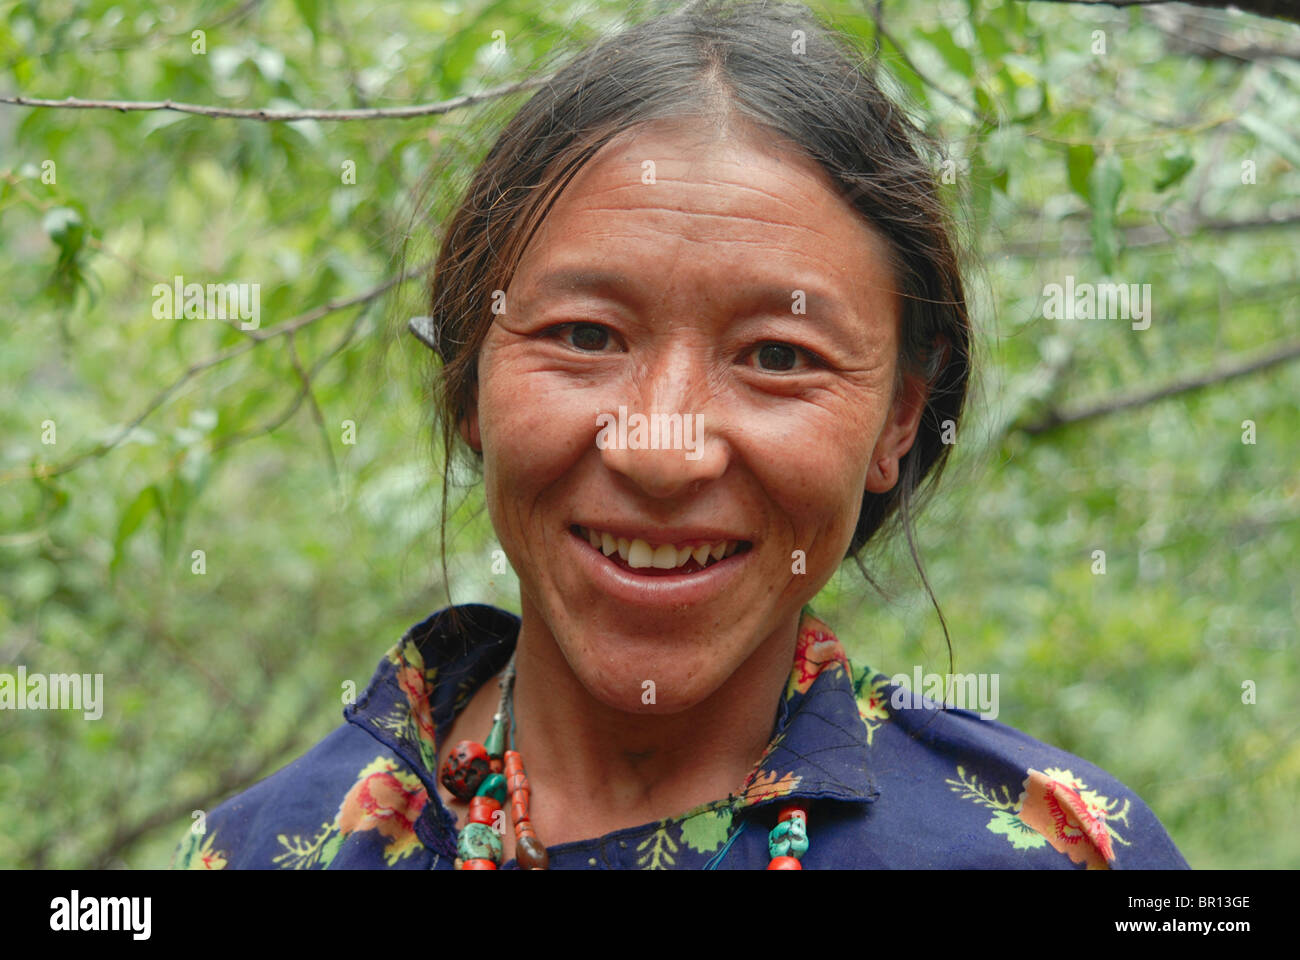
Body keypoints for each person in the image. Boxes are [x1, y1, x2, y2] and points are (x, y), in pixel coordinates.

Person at [173, 0, 1188, 870]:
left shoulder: (1060, 852)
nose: (661, 450)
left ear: (897, 422)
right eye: (583, 335)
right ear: (471, 381)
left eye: (778, 356)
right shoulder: (263, 852)